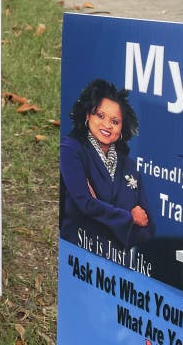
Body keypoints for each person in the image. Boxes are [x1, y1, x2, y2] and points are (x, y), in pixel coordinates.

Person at [60, 79, 154, 259]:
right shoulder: (72, 149)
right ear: (88, 115)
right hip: (79, 254)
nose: (107, 125)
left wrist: (103, 213)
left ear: (122, 127)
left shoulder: (129, 166)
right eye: (100, 115)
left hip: (119, 264)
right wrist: (128, 218)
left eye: (115, 121)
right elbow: (85, 204)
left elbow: (147, 225)